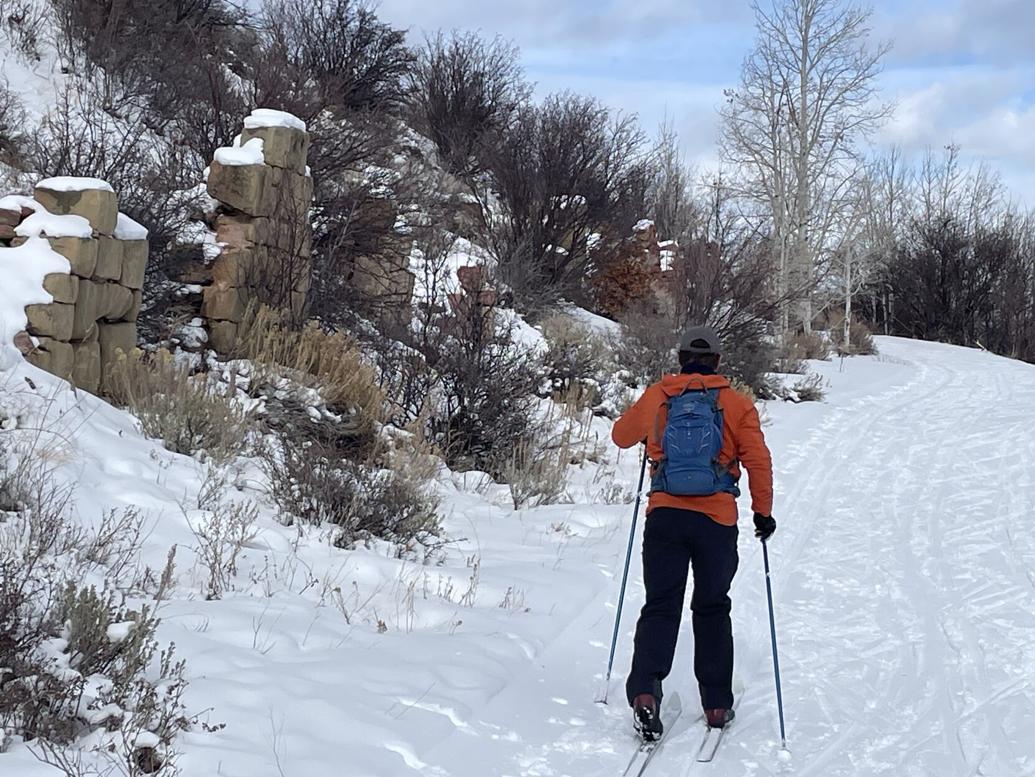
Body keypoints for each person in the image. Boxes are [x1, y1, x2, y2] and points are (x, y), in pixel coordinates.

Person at [611, 324, 775, 741]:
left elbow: (620, 436)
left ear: (681, 358)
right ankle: (717, 704)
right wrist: (762, 513)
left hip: (665, 515)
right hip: (716, 521)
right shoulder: (737, 405)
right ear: (718, 362)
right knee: (712, 606)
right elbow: (758, 460)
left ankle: (645, 693)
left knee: (661, 604)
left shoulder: (658, 396)